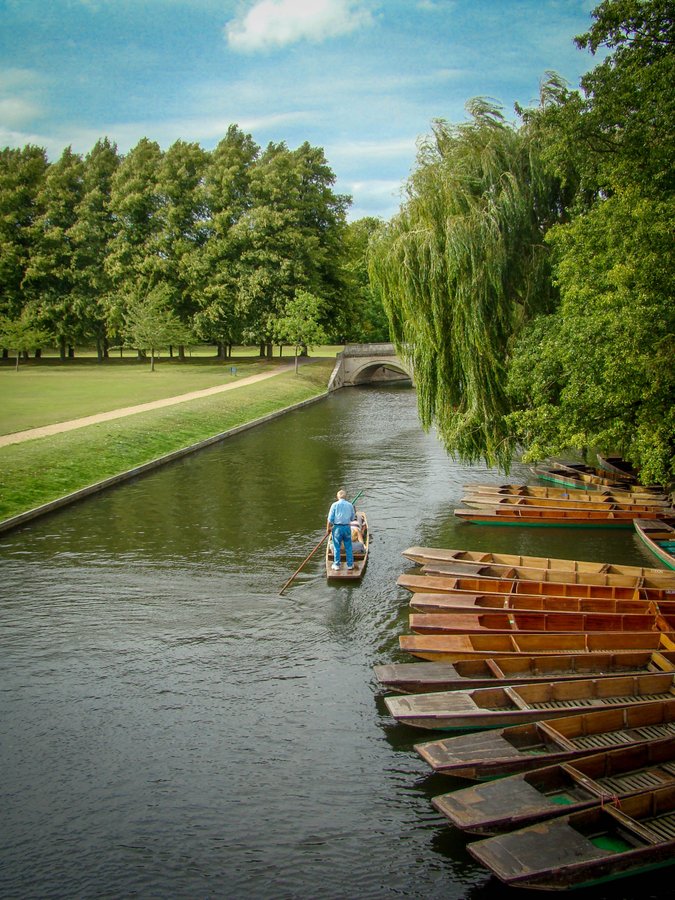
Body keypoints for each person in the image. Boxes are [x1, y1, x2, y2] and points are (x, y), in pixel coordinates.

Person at [327, 489, 356, 570]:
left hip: (337, 528)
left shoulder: (334, 505)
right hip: (346, 527)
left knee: (337, 547)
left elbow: (330, 519)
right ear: (345, 497)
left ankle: (336, 565)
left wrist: (328, 529)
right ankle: (350, 564)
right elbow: (353, 518)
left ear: (337, 497)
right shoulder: (350, 505)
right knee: (348, 546)